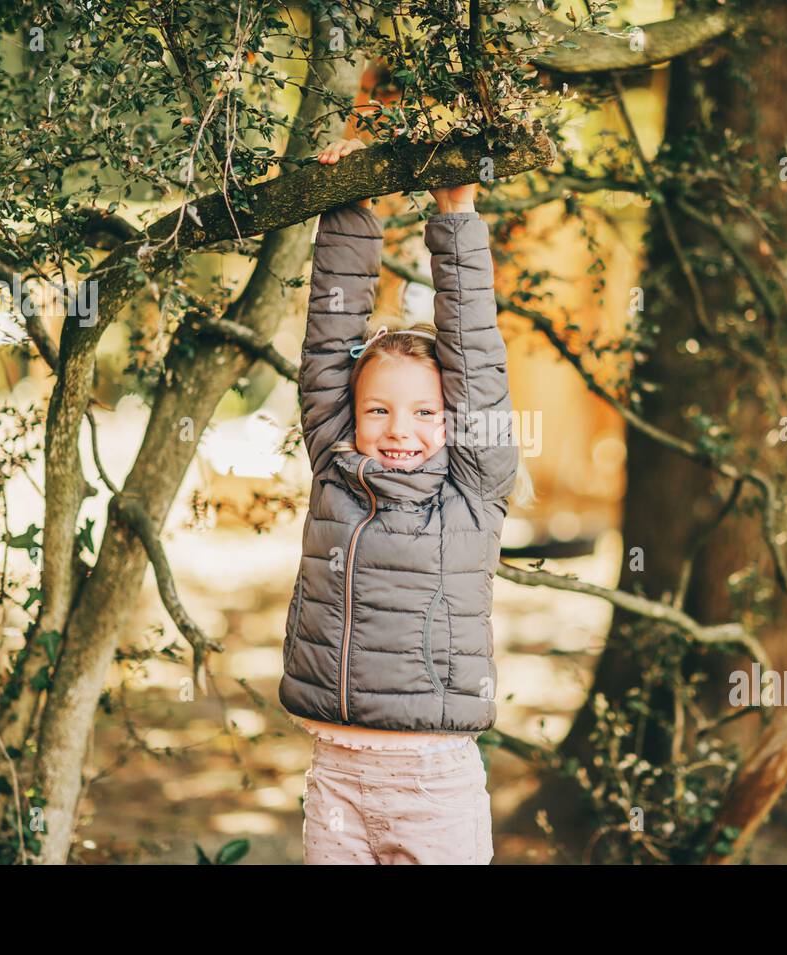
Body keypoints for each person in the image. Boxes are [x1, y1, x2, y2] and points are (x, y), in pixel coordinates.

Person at [278, 136, 532, 864]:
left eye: (425, 412)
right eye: (380, 410)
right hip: (335, 777)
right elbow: (328, 349)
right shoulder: (338, 467)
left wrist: (455, 215)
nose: (400, 430)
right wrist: (351, 206)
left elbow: (476, 359)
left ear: (453, 421)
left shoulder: (472, 489)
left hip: (434, 785)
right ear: (352, 417)